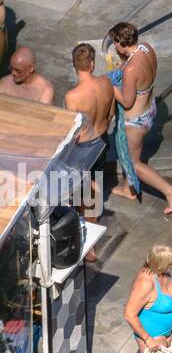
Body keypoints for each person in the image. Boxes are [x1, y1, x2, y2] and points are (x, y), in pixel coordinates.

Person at [108, 22, 172, 213]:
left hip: (135, 120)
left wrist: (112, 88)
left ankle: (170, 191)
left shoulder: (131, 69)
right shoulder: (146, 48)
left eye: (114, 43)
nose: (114, 47)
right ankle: (127, 187)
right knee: (130, 154)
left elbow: (126, 101)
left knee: (134, 162)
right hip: (149, 108)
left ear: (119, 42)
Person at [63, 44, 116, 260]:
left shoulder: (72, 97)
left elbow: (70, 132)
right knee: (94, 194)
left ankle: (76, 239)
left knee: (77, 196)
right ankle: (91, 246)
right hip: (101, 142)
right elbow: (111, 113)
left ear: (75, 66)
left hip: (81, 149)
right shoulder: (106, 83)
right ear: (92, 64)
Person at [125, 245, 172, 353]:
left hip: (171, 331)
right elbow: (129, 315)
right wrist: (148, 339)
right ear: (161, 265)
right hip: (155, 336)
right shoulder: (145, 283)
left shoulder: (163, 274)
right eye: (171, 263)